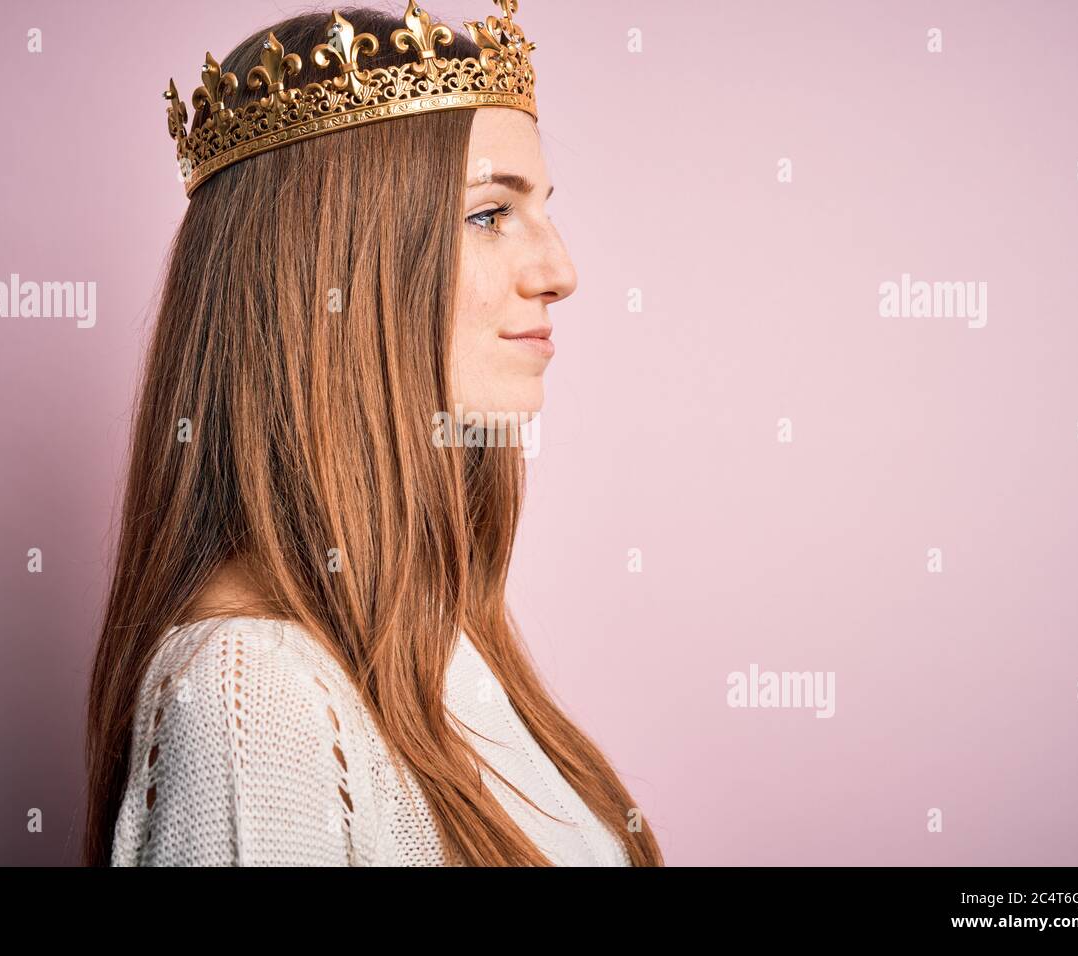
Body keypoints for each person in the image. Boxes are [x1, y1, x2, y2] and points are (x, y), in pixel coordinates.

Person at [84, 2, 664, 866]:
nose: (560, 271)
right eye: (489, 215)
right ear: (333, 271)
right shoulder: (252, 701)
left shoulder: (440, 639)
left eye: (540, 208)